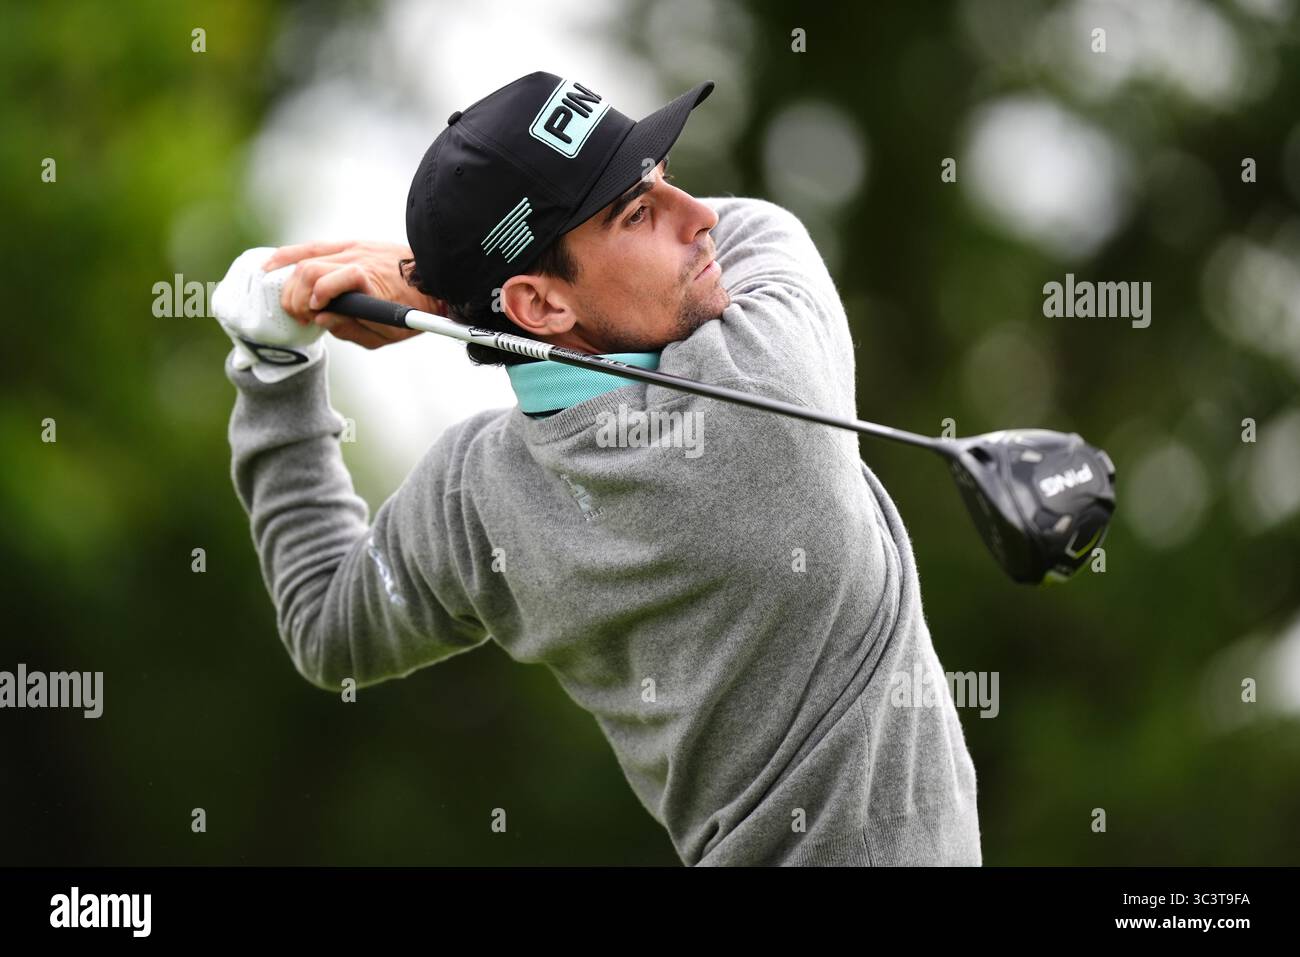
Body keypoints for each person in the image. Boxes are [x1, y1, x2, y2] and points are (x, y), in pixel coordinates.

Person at [224, 71, 981, 866]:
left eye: (667, 181)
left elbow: (324, 623)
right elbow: (763, 227)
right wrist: (432, 281)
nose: (700, 217)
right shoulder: (765, 380)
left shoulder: (477, 499)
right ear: (541, 307)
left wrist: (276, 365)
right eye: (639, 212)